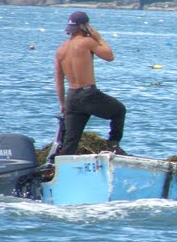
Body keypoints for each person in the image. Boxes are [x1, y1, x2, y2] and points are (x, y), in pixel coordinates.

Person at [54, 11, 127, 156]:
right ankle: (113, 145)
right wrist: (99, 38)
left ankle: (61, 171)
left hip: (71, 97)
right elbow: (109, 56)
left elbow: (58, 79)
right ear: (83, 26)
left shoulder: (61, 50)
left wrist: (63, 104)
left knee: (71, 141)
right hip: (88, 93)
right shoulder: (88, 42)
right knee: (119, 111)